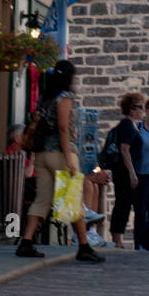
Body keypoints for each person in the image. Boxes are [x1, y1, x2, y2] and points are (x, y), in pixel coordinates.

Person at [16, 60, 104, 263]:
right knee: (73, 199)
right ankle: (84, 246)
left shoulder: (44, 98)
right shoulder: (65, 97)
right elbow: (63, 127)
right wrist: (68, 158)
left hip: (42, 155)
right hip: (60, 154)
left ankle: (26, 242)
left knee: (42, 199)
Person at [110, 92, 144, 248]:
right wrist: (132, 173)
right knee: (123, 204)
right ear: (131, 109)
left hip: (128, 171)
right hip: (124, 172)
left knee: (124, 204)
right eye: (139, 107)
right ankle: (117, 238)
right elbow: (125, 149)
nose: (142, 111)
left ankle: (118, 237)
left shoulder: (133, 126)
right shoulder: (127, 126)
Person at [134, 97, 149, 250]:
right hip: (142, 174)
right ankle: (140, 241)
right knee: (140, 210)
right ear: (146, 110)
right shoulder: (139, 127)